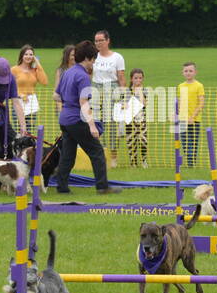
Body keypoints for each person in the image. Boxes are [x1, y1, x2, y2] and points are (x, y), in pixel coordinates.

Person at [54, 40, 113, 195]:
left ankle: (62, 187)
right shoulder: (83, 76)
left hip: (65, 120)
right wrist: (92, 126)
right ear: (87, 58)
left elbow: (57, 94)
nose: (94, 63)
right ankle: (102, 187)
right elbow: (83, 102)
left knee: (68, 155)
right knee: (97, 152)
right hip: (76, 119)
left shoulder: (68, 72)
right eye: (93, 59)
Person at [91, 30, 125, 137]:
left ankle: (113, 150)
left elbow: (121, 77)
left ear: (108, 41)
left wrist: (123, 96)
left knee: (112, 122)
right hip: (96, 90)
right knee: (96, 120)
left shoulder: (117, 57)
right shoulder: (93, 57)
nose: (98, 43)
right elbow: (89, 75)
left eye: (101, 40)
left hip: (112, 90)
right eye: (96, 41)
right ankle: (100, 147)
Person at [11, 45, 48, 136]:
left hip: (31, 104)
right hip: (18, 102)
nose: (28, 56)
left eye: (31, 54)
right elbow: (8, 87)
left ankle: (27, 149)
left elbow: (44, 82)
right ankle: (19, 149)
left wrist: (38, 64)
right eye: (26, 54)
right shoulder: (14, 70)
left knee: (30, 130)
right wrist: (20, 94)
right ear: (22, 56)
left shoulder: (34, 70)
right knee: (20, 130)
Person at [177, 62, 205, 167]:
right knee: (185, 142)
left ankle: (191, 163)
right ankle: (190, 163)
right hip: (183, 120)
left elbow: (201, 103)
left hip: (195, 120)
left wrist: (193, 116)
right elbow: (180, 102)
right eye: (186, 71)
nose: (188, 73)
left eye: (190, 71)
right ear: (182, 73)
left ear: (195, 72)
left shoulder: (199, 86)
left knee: (193, 143)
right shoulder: (180, 86)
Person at [125, 68, 149, 168]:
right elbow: (124, 105)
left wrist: (139, 92)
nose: (138, 80)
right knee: (131, 142)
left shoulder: (145, 90)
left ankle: (144, 160)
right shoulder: (127, 91)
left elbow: (145, 104)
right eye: (136, 78)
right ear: (131, 79)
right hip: (130, 121)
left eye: (140, 78)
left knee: (143, 141)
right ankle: (133, 162)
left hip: (142, 120)